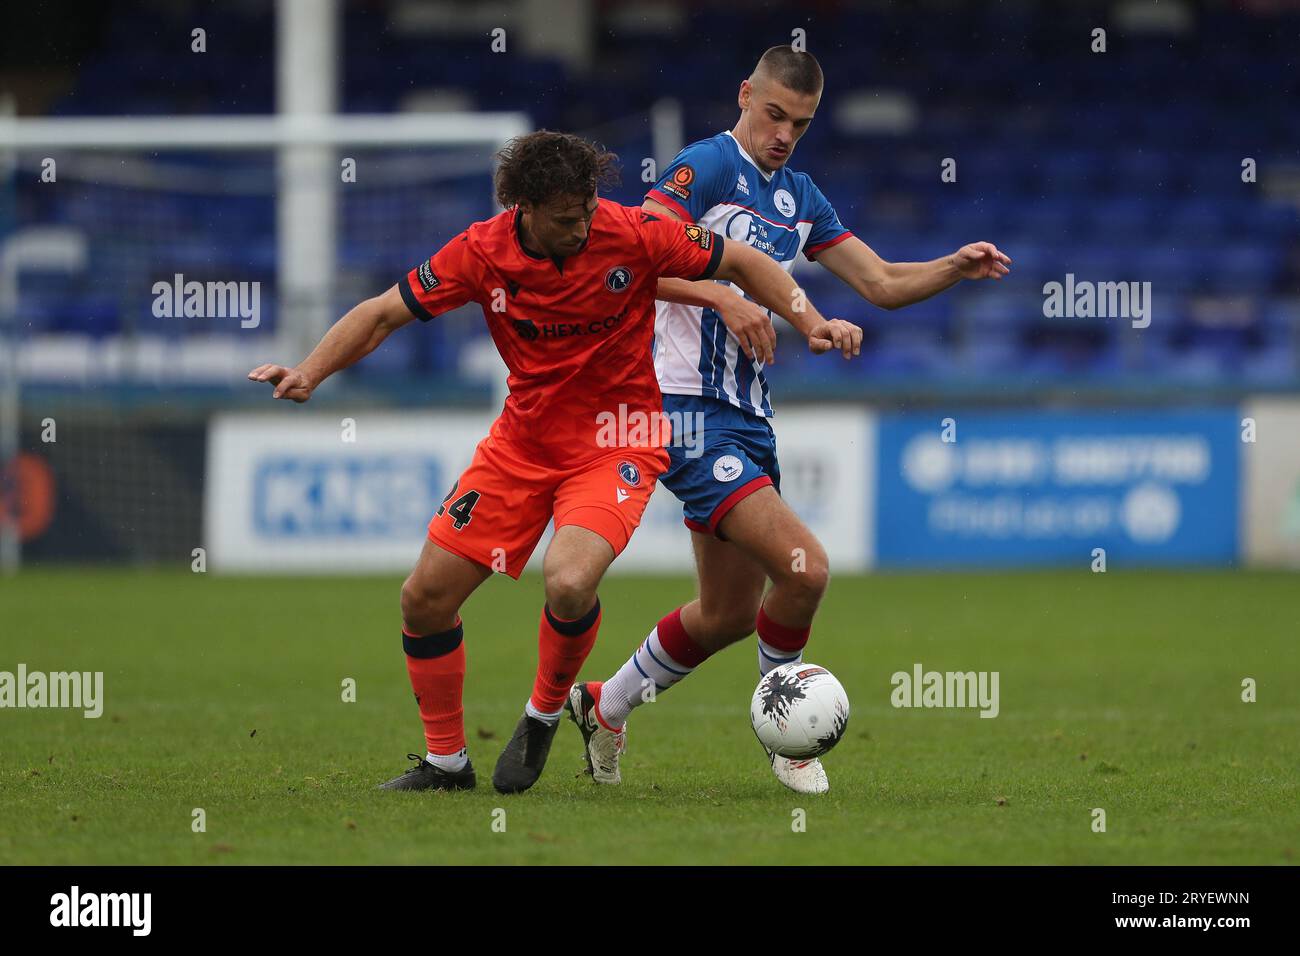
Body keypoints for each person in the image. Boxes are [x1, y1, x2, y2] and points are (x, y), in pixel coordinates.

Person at [247, 130, 861, 794]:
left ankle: (543, 713)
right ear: (526, 209)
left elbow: (740, 259)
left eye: (590, 209)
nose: (585, 227)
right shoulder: (480, 252)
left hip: (618, 440)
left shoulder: (628, 232)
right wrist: (311, 371)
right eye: (569, 219)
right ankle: (446, 762)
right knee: (423, 599)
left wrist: (809, 320)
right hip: (522, 445)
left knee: (568, 582)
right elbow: (382, 314)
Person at [568, 46, 1011, 794]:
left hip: (748, 420)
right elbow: (631, 257)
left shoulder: (801, 196)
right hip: (682, 411)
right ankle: (788, 735)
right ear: (745, 94)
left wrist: (949, 267)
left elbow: (878, 281)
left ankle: (603, 707)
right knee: (805, 570)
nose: (783, 133)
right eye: (773, 114)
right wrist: (722, 294)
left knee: (726, 615)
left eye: (799, 123)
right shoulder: (705, 166)